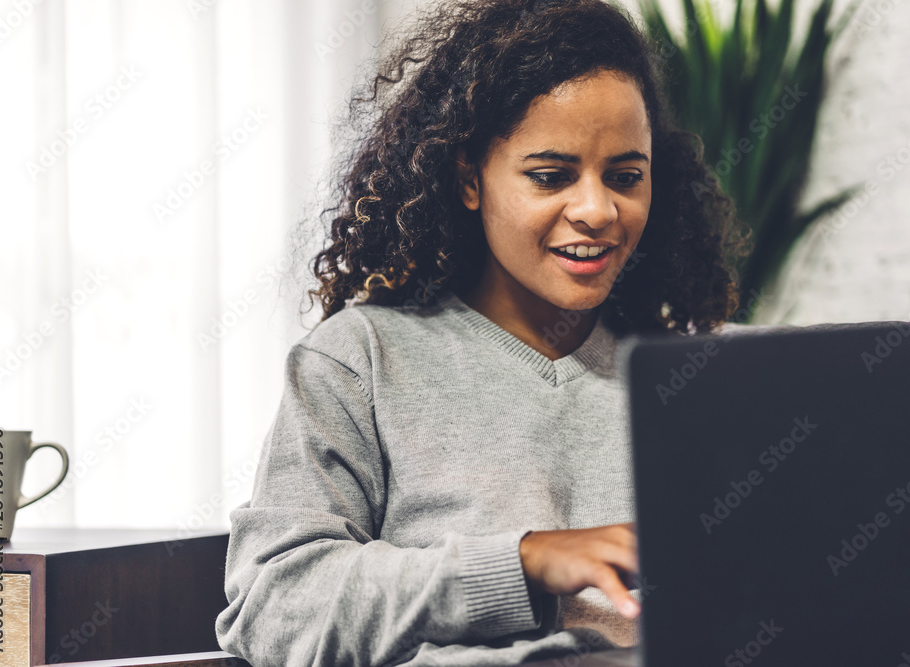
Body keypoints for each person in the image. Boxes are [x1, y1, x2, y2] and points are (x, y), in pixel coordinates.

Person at [215, 0, 747, 664]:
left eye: (625, 177)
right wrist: (522, 564)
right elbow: (275, 605)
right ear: (470, 178)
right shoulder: (362, 362)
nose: (596, 209)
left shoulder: (714, 371)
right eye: (550, 176)